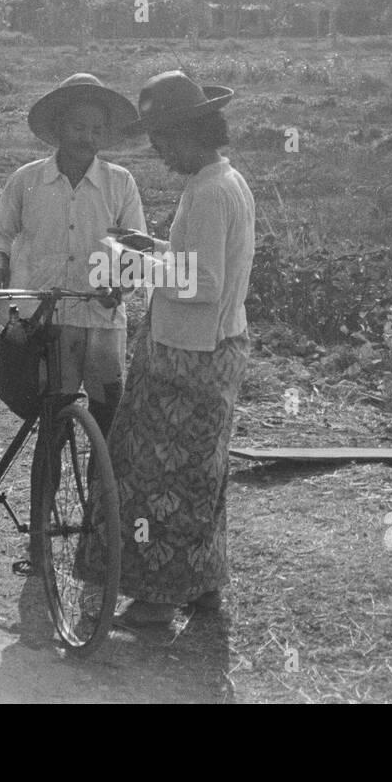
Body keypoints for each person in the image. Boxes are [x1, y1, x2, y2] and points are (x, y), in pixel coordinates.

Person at [106, 71, 255, 626]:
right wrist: (156, 247)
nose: (158, 152)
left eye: (161, 140)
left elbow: (206, 282)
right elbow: (196, 259)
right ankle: (202, 584)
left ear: (186, 131)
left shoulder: (212, 191)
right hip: (211, 347)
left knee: (158, 476)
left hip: (188, 357)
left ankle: (157, 596)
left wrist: (134, 265)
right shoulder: (222, 181)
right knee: (202, 474)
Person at [0, 74, 144, 559]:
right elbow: (2, 237)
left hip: (101, 325)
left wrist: (122, 282)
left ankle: (99, 537)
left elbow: (137, 250)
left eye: (96, 129)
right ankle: (38, 539)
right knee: (52, 425)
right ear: (58, 129)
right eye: (78, 127)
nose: (87, 137)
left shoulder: (120, 184)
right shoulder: (26, 180)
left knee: (104, 425)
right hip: (46, 321)